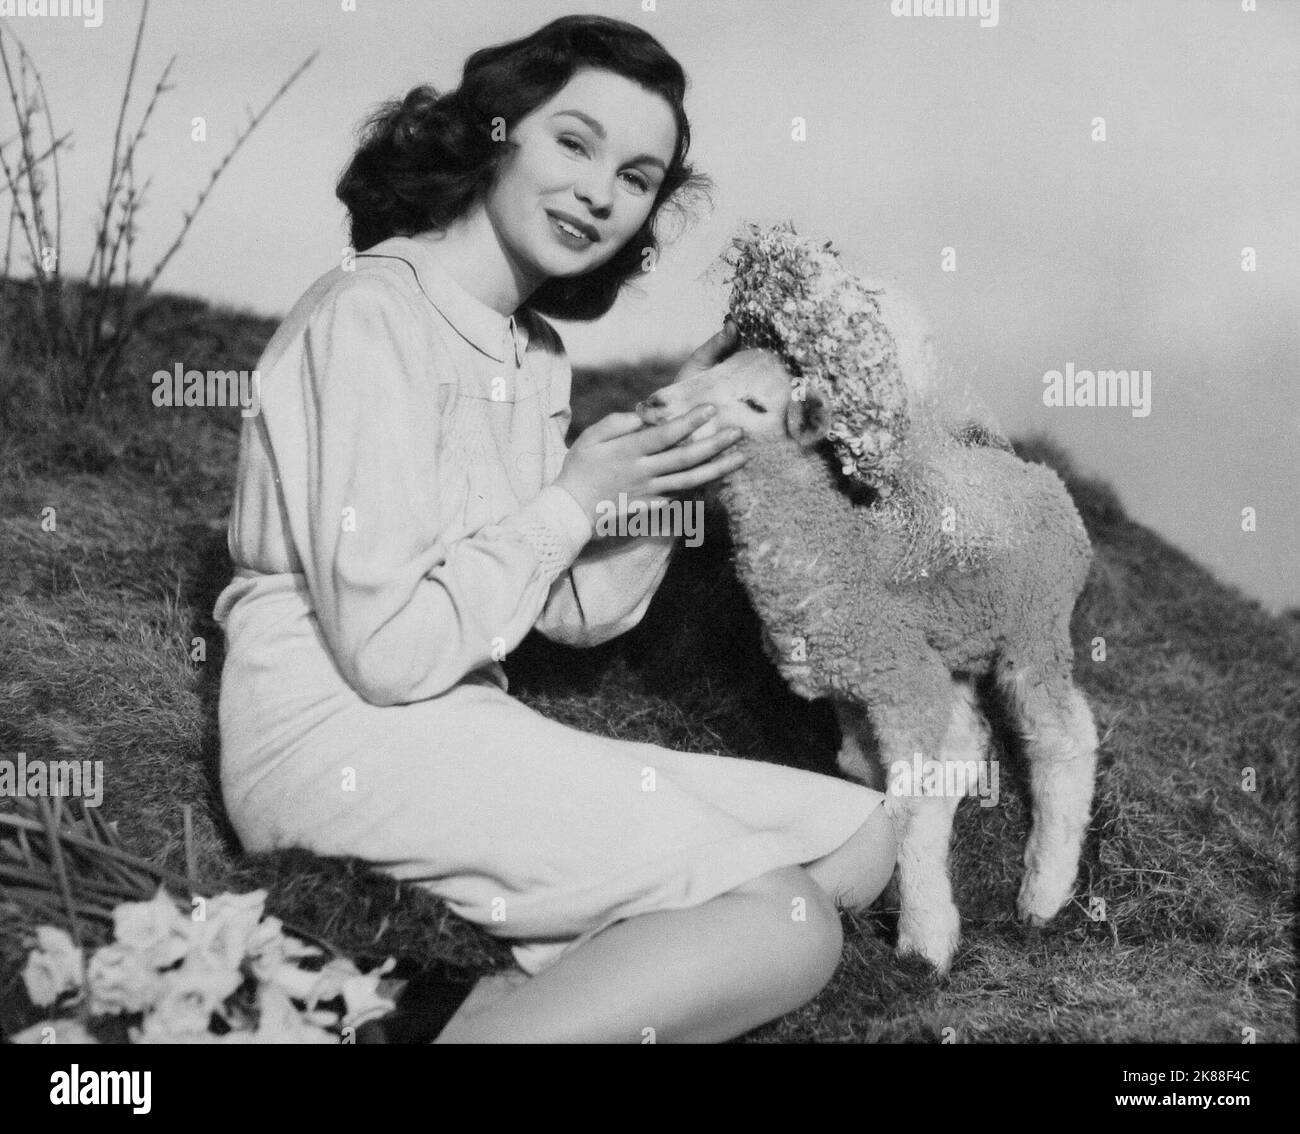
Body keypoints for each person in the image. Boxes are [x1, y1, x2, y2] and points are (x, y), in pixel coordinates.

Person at [214, 14, 897, 1044]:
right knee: (791, 923)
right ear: (492, 136)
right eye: (574, 143)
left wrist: (672, 462)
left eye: (635, 178)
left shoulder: (531, 352)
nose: (598, 194)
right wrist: (574, 496)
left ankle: (503, 1002)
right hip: (334, 729)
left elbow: (568, 612)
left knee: (858, 840)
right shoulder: (370, 316)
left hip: (454, 715)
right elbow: (387, 653)